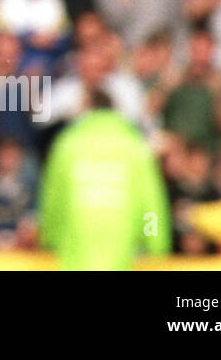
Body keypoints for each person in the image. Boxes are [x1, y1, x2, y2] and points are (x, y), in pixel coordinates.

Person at [38, 91, 172, 269]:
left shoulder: (66, 144)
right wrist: (155, 243)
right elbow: (150, 201)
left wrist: (50, 237)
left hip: (76, 248)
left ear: (85, 109)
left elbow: (54, 198)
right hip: (123, 250)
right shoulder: (135, 146)